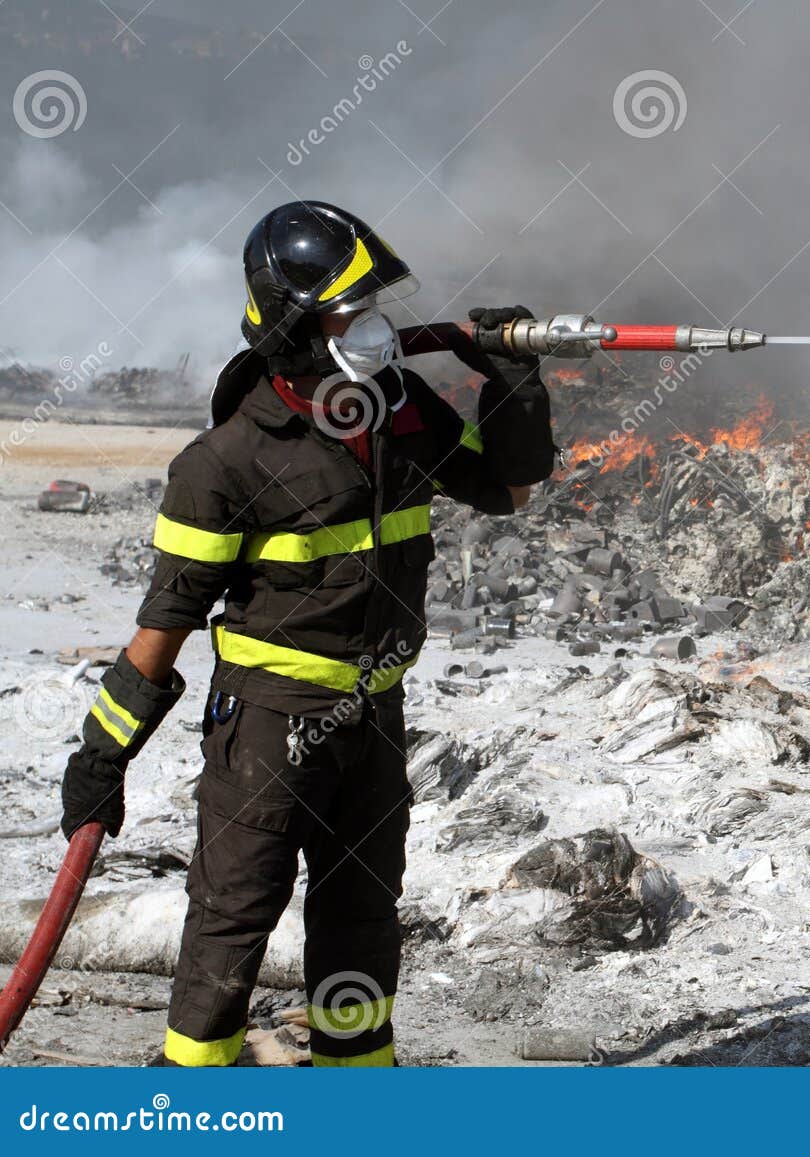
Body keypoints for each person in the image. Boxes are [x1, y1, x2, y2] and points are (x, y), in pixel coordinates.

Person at [57, 200, 555, 1066]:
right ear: (293, 324)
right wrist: (103, 756)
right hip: (268, 725)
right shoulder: (224, 464)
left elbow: (506, 491)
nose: (371, 327)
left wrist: (510, 384)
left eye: (373, 306)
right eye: (347, 310)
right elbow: (163, 627)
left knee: (361, 918)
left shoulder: (397, 409)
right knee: (233, 917)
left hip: (374, 716)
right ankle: (189, 1095)